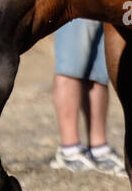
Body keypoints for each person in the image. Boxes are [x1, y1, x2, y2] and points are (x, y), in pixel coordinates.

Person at [49, 20, 125, 175]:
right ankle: (69, 150)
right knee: (70, 69)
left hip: (105, 2)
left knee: (98, 74)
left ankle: (99, 149)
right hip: (77, 2)